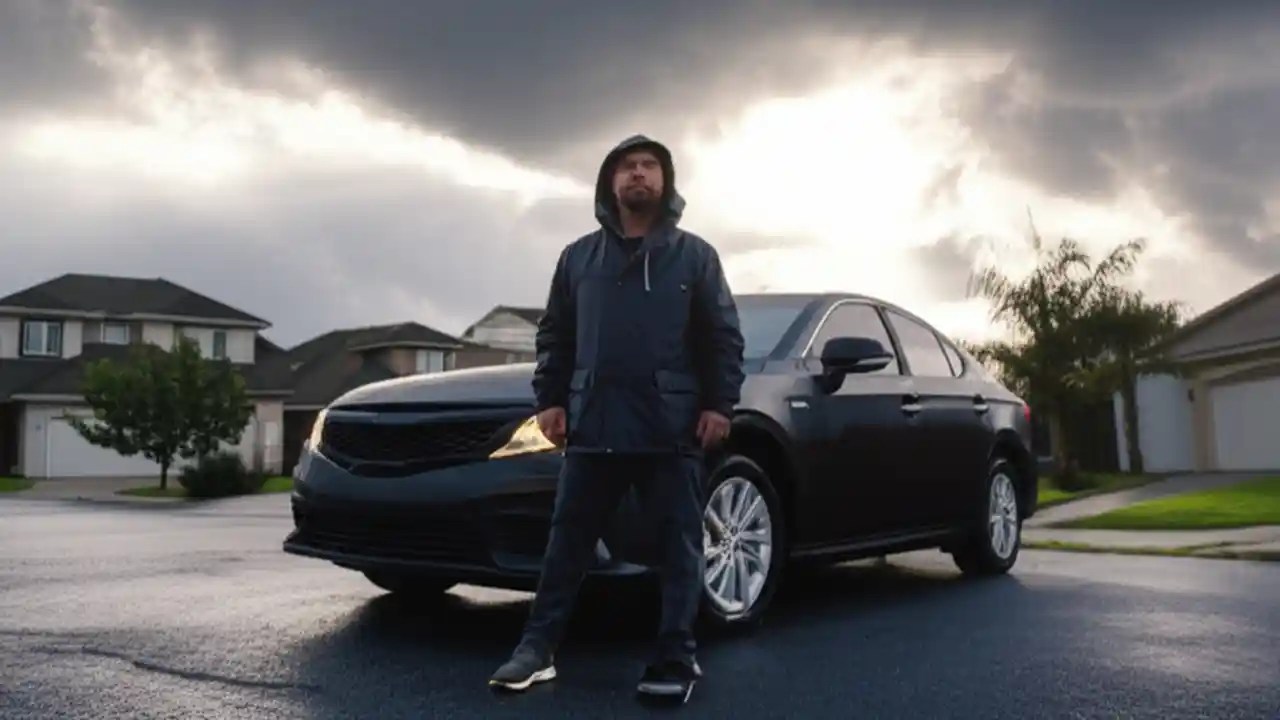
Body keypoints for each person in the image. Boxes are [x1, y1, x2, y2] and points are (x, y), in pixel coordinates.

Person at [488, 134, 746, 699]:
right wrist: (551, 400)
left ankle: (675, 656)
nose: (638, 175)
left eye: (649, 166)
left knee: (678, 543)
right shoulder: (579, 258)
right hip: (594, 423)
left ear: (665, 182)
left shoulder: (695, 257)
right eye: (627, 167)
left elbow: (722, 338)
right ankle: (536, 648)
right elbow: (555, 334)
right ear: (610, 182)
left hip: (670, 426)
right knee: (566, 544)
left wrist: (719, 406)